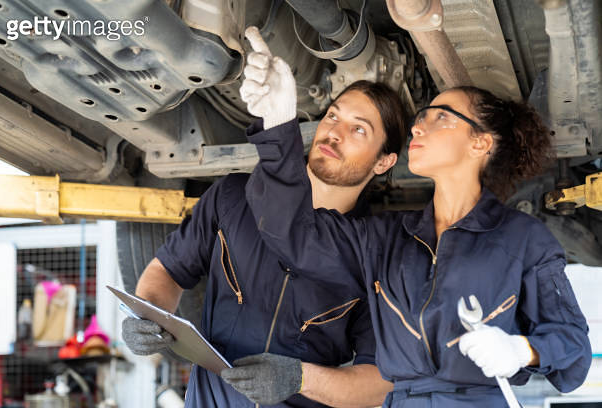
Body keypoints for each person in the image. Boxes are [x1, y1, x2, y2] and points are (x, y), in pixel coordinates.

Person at [231, 27, 592, 408]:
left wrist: (521, 351)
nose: (419, 125)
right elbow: (292, 233)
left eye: (442, 118)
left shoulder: (524, 239)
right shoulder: (385, 238)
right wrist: (278, 124)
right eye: (423, 116)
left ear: (480, 143)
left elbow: (574, 354)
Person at [121, 29, 410, 408]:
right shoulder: (232, 197)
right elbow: (168, 270)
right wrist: (148, 314)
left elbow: (377, 383)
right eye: (333, 116)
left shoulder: (374, 256)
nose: (334, 132)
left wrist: (301, 378)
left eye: (358, 129)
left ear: (385, 161)